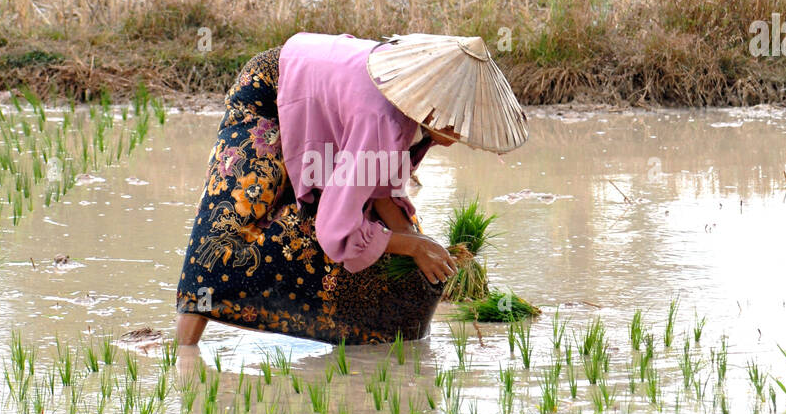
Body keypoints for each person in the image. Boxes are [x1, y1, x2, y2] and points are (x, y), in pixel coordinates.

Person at [175, 32, 527, 346]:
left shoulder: (411, 109)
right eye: (455, 127)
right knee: (233, 218)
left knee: (395, 237)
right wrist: (411, 246)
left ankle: (374, 338)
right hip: (272, 88)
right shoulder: (381, 121)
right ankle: (184, 354)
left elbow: (378, 185)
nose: (457, 137)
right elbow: (335, 231)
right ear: (432, 109)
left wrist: (414, 240)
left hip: (327, 103)